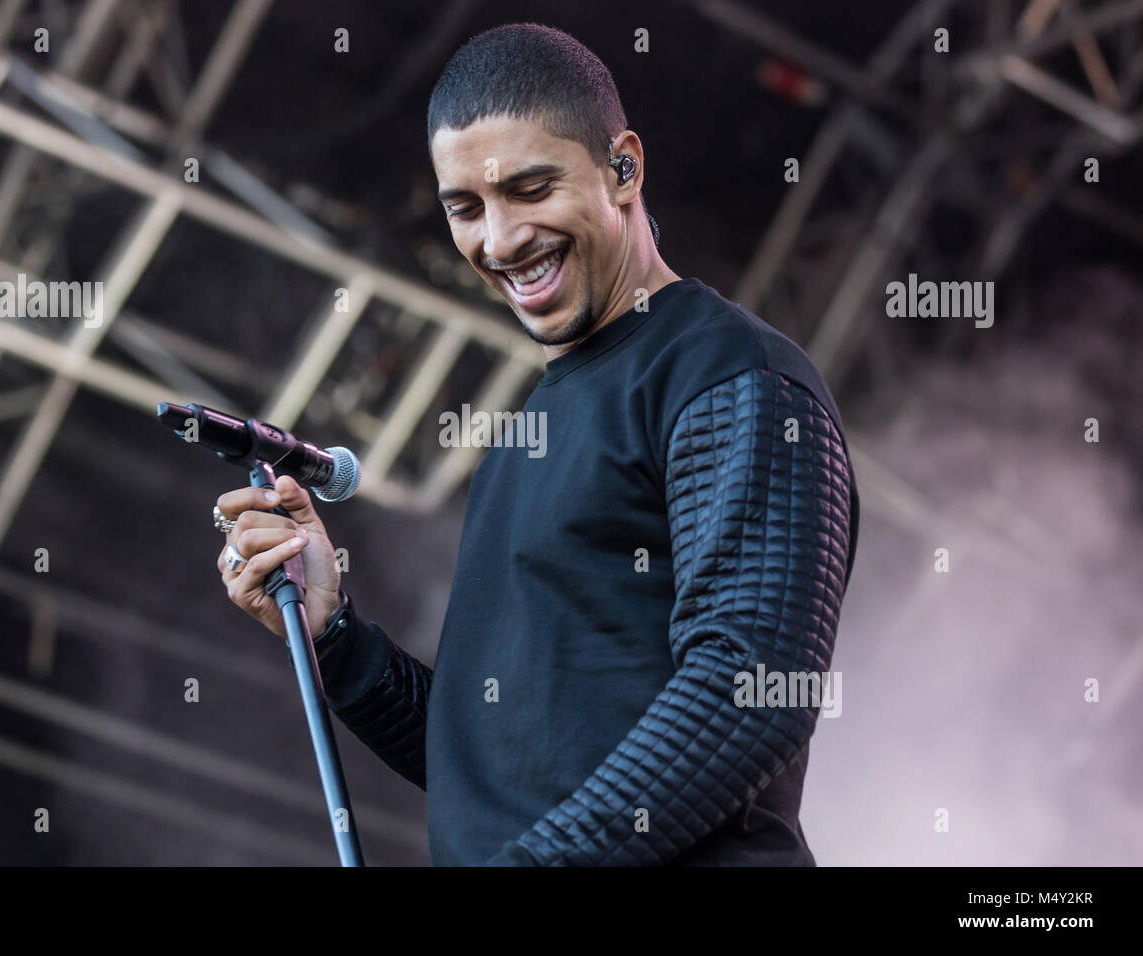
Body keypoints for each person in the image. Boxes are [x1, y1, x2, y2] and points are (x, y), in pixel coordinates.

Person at [214, 22, 859, 866]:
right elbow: (495, 766)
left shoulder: (726, 372)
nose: (500, 239)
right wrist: (334, 636)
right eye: (466, 209)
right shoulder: (526, 440)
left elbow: (751, 690)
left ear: (622, 168)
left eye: (530, 189)